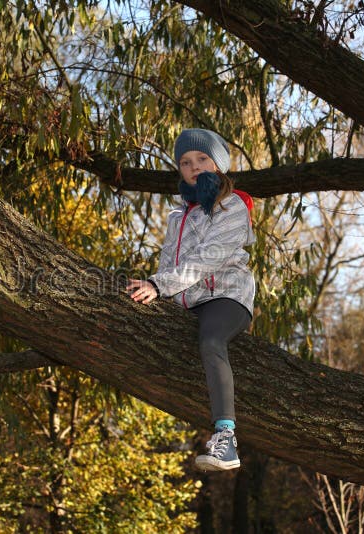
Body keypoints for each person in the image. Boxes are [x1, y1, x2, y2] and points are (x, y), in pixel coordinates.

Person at [126, 128, 255, 471]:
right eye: (185, 162)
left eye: (202, 159)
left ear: (219, 163)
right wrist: (153, 288)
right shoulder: (177, 216)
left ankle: (226, 439)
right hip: (186, 302)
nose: (194, 166)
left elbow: (208, 259)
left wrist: (159, 284)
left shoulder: (234, 205)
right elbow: (168, 262)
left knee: (211, 340)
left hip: (226, 296)